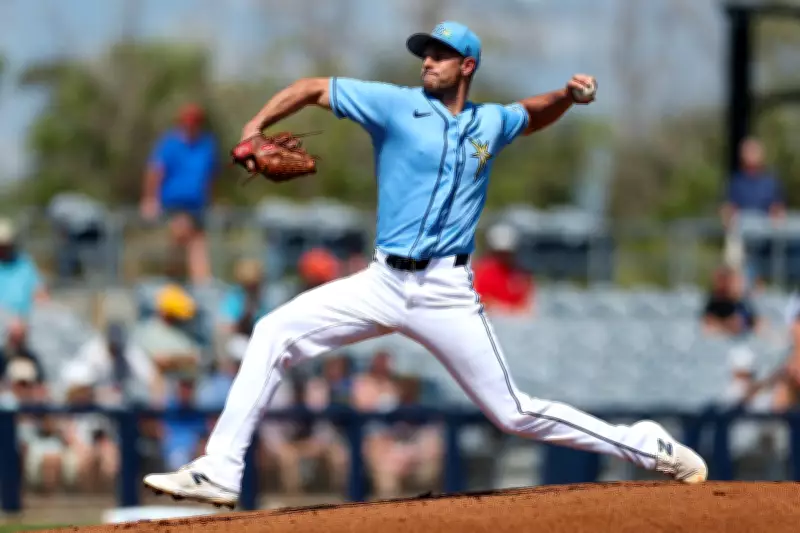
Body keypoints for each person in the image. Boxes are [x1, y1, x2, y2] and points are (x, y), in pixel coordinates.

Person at [144, 21, 706, 508]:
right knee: (271, 332)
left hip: (447, 291)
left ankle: (643, 444)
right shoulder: (393, 104)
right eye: (424, 54)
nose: (427, 62)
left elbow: (530, 116)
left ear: (467, 66)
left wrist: (564, 94)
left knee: (512, 413)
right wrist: (253, 127)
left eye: (438, 55)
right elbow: (313, 88)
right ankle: (220, 469)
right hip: (383, 280)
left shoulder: (489, 122)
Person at [141, 103, 219, 284]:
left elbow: (210, 176)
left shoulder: (207, 144)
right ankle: (173, 280)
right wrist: (150, 199)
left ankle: (202, 285)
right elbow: (155, 172)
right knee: (180, 233)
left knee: (198, 244)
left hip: (197, 205)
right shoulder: (169, 144)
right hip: (173, 204)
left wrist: (212, 201)